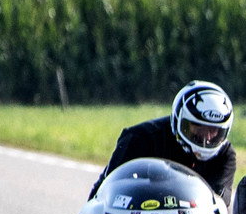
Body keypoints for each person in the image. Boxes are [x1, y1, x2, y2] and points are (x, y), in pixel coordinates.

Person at [90, 80, 236, 204]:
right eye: (198, 128)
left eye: (214, 130)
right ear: (180, 121)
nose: (207, 137)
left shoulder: (225, 155)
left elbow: (217, 205)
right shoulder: (140, 138)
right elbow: (105, 192)